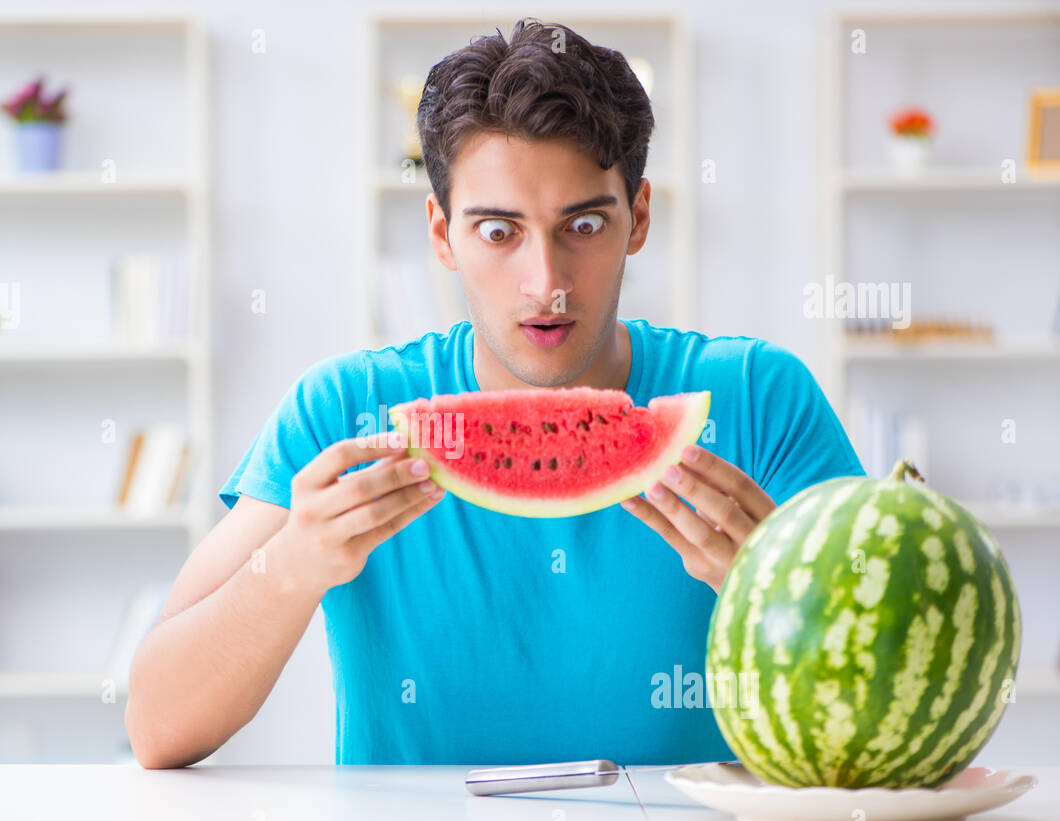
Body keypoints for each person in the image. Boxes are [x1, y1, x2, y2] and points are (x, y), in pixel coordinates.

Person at [125, 19, 864, 769]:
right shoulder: (343, 412)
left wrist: (781, 598)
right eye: (498, 232)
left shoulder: (757, 398)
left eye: (582, 223)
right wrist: (291, 565)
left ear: (638, 219)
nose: (546, 282)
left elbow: (881, 717)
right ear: (442, 234)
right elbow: (156, 728)